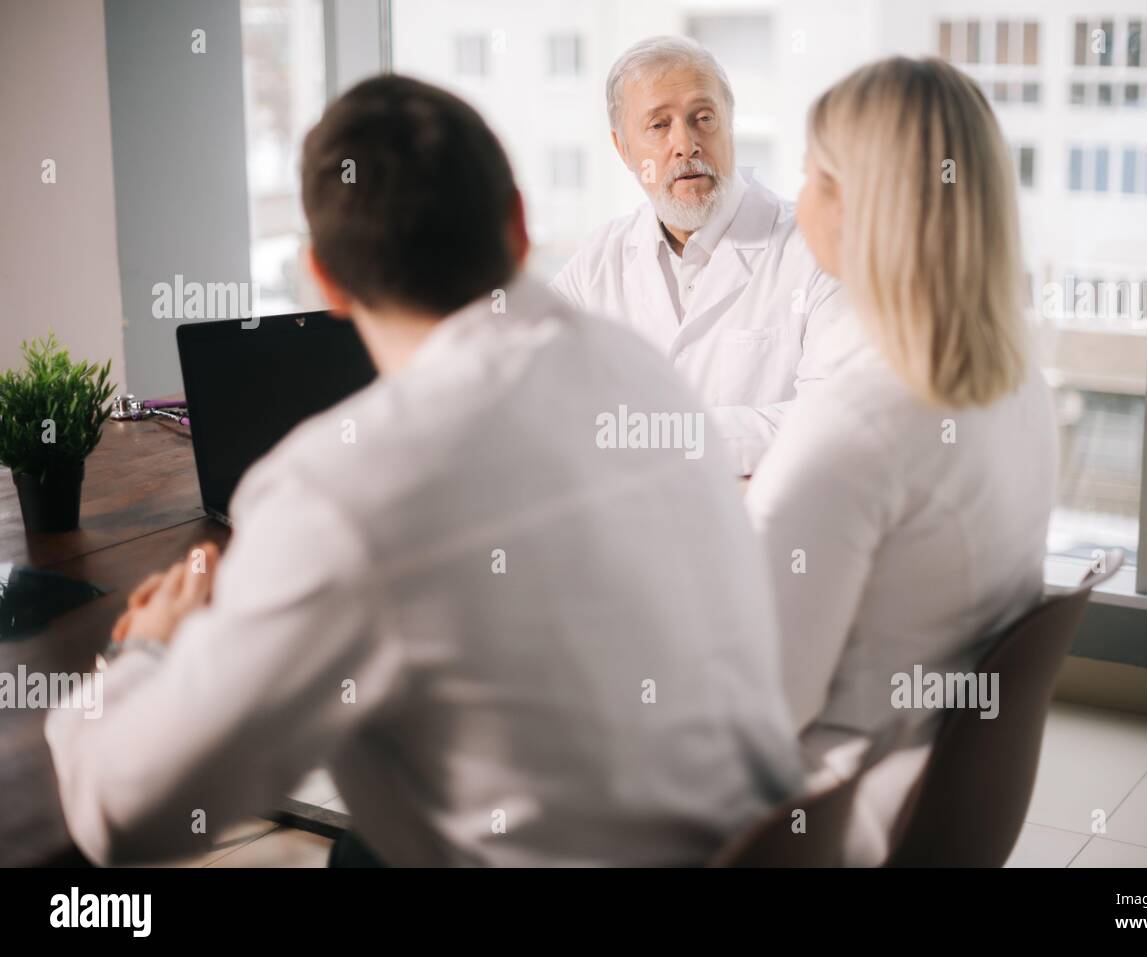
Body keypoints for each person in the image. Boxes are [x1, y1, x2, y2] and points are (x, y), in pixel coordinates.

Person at [45, 75, 804, 867]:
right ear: (516, 224)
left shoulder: (340, 493)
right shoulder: (638, 371)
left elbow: (126, 816)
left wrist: (147, 654)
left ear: (326, 280)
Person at [745, 57, 1059, 866]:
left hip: (811, 824)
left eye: (813, 174)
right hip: (923, 793)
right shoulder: (1016, 379)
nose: (798, 196)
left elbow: (756, 716)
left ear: (858, 210)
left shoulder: (850, 428)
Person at [551, 36, 846, 476]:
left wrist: (644, 438)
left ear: (730, 126)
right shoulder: (597, 263)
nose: (686, 144)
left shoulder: (817, 251)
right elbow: (535, 403)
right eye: (658, 125)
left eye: (703, 118)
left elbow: (831, 422)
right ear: (623, 149)